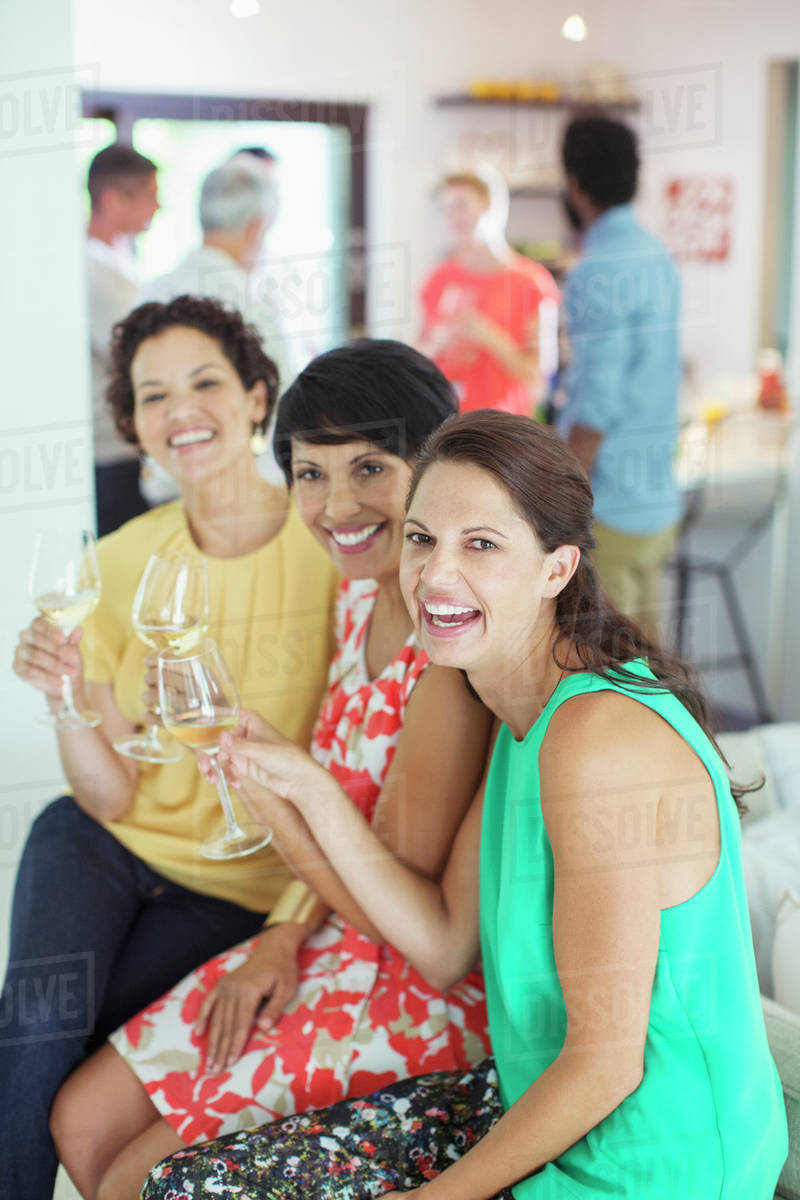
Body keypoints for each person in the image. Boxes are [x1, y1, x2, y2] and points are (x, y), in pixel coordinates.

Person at [144, 409, 786, 1199]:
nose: (436, 575)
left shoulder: (593, 738)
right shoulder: (520, 716)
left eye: (480, 544)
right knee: (185, 1181)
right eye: (422, 539)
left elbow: (607, 1063)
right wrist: (288, 780)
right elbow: (442, 944)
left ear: (556, 570)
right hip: (547, 1108)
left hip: (650, 1161)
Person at [48, 340, 493, 1200]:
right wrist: (285, 934)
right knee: (79, 1118)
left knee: (137, 1180)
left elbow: (407, 910)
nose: (336, 504)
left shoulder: (446, 665)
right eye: (311, 474)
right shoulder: (358, 592)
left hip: (398, 984)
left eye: (369, 466)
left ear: (434, 460)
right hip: (323, 935)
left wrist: (278, 797)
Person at [5, 295, 339, 1200]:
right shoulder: (120, 561)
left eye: (205, 382)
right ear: (134, 425)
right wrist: (68, 698)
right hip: (103, 844)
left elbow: (354, 777)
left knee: (72, 1045)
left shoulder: (331, 556)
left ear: (258, 396)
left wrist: (287, 931)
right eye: (153, 396)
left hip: (242, 885)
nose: (179, 410)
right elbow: (111, 796)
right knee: (32, 1030)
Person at [558, 116, 683, 640]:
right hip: (658, 503)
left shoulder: (598, 268)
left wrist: (560, 497)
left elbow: (597, 401)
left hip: (609, 507)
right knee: (654, 674)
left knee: (605, 677)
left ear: (575, 184)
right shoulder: (658, 256)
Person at [139, 159, 290, 495]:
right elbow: (282, 405)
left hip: (164, 483)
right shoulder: (250, 306)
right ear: (257, 226)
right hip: (240, 493)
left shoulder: (150, 292)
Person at [419, 167, 559, 417]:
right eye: (446, 209)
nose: (453, 217)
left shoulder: (532, 283)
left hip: (501, 431)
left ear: (490, 205)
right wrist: (435, 343)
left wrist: (490, 337)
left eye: (461, 205)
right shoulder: (438, 279)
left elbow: (539, 378)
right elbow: (417, 354)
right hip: (444, 423)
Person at [87, 143, 160, 535]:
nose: (158, 206)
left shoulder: (115, 262)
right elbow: (132, 354)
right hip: (111, 454)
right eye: (150, 194)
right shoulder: (93, 272)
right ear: (113, 200)